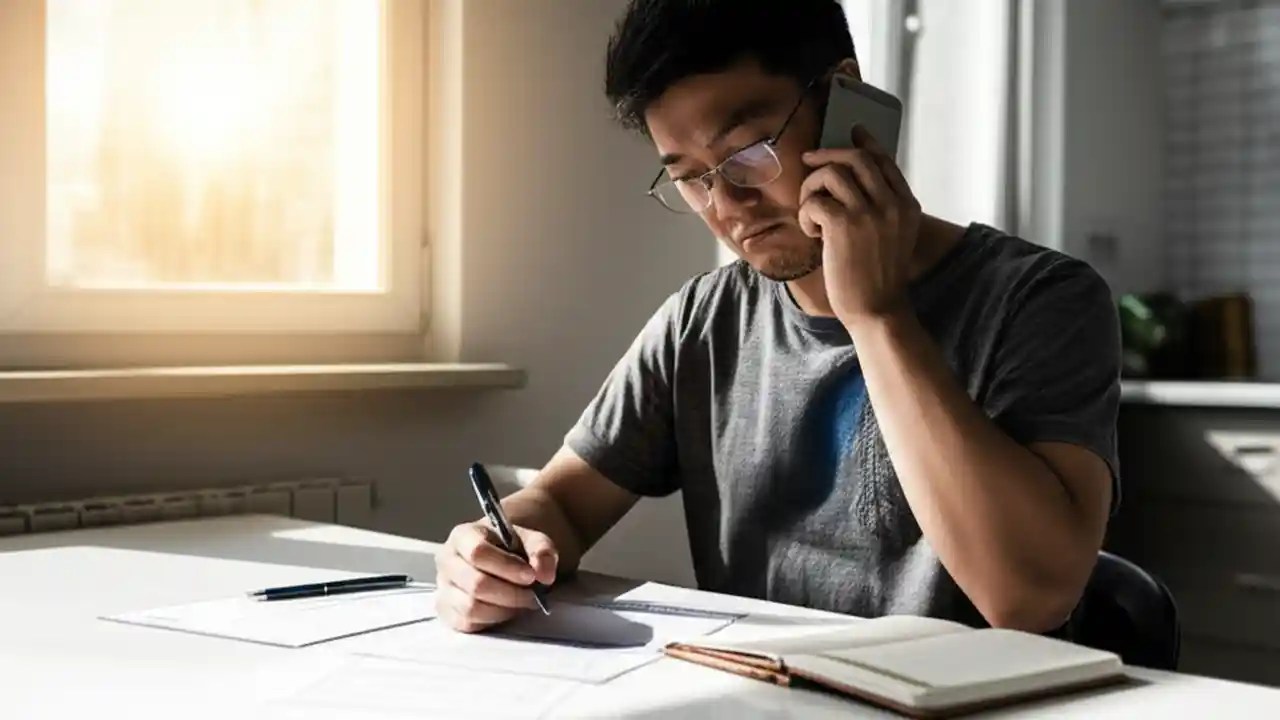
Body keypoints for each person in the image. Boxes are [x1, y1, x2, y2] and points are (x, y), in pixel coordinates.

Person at [435, 0, 1120, 636]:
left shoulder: (1042, 301)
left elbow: (1029, 598)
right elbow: (560, 504)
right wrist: (494, 548)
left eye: (749, 153)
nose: (727, 205)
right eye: (689, 177)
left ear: (846, 99)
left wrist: (876, 317)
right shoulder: (703, 323)